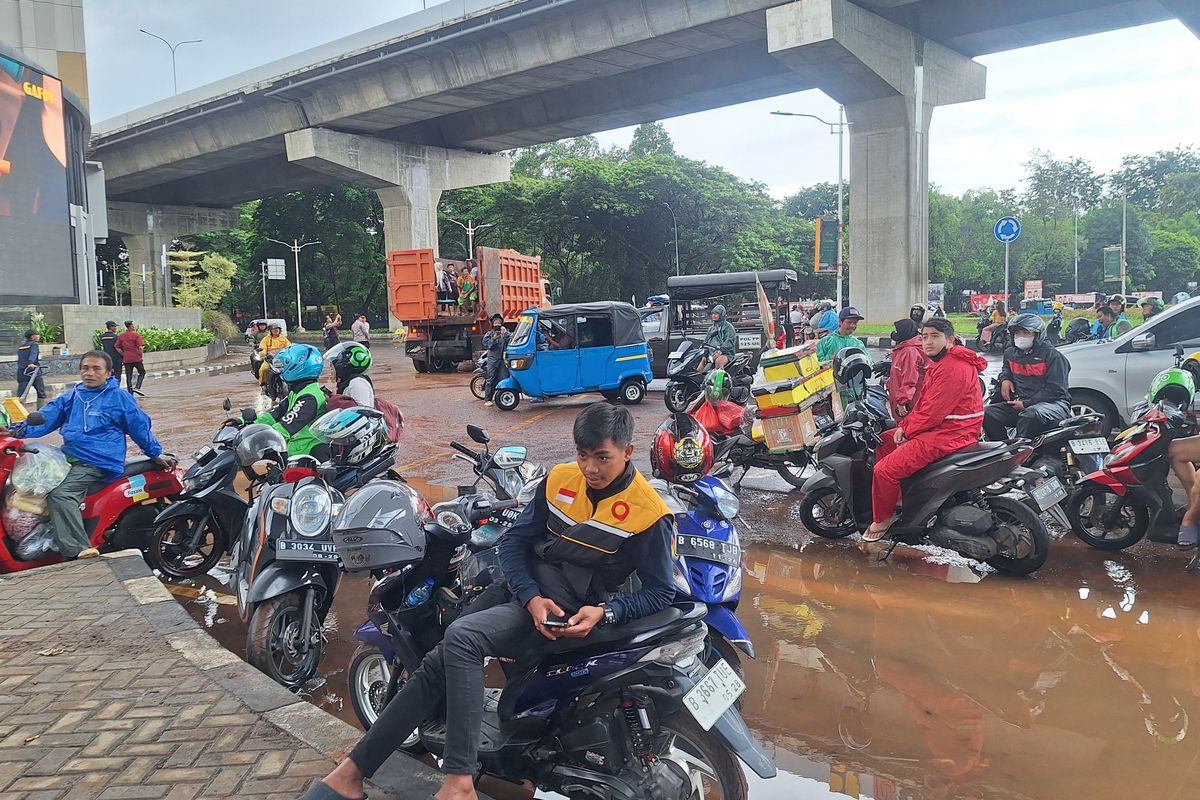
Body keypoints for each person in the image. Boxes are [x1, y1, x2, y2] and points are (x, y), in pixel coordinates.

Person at [297, 403, 676, 800]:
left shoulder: (647, 513)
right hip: (523, 595)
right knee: (435, 666)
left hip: (562, 614)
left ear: (628, 452)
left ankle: (458, 781)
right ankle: (352, 773)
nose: (590, 469)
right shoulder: (560, 480)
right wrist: (529, 596)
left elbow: (661, 592)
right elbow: (514, 543)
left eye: (603, 458)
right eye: (583, 456)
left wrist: (606, 611)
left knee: (461, 639)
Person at [5, 351, 174, 559]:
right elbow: (48, 416)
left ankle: (78, 550)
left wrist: (155, 453)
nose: (89, 373)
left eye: (96, 368)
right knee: (29, 482)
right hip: (70, 457)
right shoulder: (74, 395)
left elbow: (139, 428)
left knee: (61, 495)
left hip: (98, 461)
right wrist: (16, 430)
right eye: (85, 368)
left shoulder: (119, 398)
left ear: (109, 373)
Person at [865, 318, 988, 541]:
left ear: (949, 340)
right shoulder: (942, 363)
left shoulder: (952, 367)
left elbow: (932, 412)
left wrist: (908, 429)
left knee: (883, 470)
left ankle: (883, 518)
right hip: (944, 429)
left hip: (948, 434)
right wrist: (905, 426)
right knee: (885, 440)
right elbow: (925, 404)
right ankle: (901, 499)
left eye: (934, 336)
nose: (928, 342)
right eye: (924, 337)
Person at [982, 314, 1071, 441]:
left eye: (1025, 332)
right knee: (986, 413)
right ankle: (1004, 450)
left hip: (1054, 404)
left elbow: (1056, 389)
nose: (1021, 337)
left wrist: (1026, 404)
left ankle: (1021, 452)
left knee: (1029, 415)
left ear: (1037, 334)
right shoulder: (1010, 353)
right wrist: (1005, 379)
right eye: (1017, 333)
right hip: (1021, 403)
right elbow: (1006, 370)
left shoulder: (1053, 356)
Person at [255, 344, 329, 458]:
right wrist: (245, 422)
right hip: (294, 451)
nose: (279, 373)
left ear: (297, 368)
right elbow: (274, 414)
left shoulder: (310, 398)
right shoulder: (297, 392)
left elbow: (285, 427)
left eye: (283, 367)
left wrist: (258, 438)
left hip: (306, 456)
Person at [886, 318, 929, 421]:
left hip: (910, 403)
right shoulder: (910, 347)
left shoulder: (909, 351)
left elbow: (909, 380)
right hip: (915, 399)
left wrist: (902, 402)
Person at [324, 342, 375, 407]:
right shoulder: (347, 382)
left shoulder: (357, 383)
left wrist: (335, 401)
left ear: (343, 366)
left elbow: (363, 411)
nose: (331, 371)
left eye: (332, 367)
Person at [481, 313, 510, 407]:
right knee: (491, 379)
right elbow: (486, 344)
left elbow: (511, 341)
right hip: (492, 360)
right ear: (492, 324)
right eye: (495, 322)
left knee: (504, 378)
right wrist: (493, 339)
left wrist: (505, 334)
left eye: (499, 322)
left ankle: (504, 397)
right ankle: (488, 399)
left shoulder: (505, 333)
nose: (497, 324)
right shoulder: (489, 334)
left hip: (503, 359)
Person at [15, 329, 47, 405]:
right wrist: (31, 363)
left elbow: (20, 358)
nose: (39, 336)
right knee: (41, 392)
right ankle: (40, 412)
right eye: (37, 334)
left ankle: (18, 411)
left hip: (22, 371)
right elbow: (33, 353)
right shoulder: (34, 344)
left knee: (21, 393)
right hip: (33, 370)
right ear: (33, 336)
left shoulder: (21, 346)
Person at [116, 321, 146, 395]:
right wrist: (140, 355)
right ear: (131, 326)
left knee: (128, 375)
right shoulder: (136, 335)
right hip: (136, 357)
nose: (134, 326)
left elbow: (117, 347)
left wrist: (123, 354)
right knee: (142, 372)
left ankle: (130, 392)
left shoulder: (122, 336)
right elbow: (140, 347)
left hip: (127, 358)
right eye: (133, 325)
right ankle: (137, 387)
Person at [702, 304, 737, 370]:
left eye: (716, 313)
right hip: (711, 353)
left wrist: (720, 351)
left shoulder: (728, 327)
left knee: (718, 362)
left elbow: (730, 341)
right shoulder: (711, 328)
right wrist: (704, 355)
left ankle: (719, 380)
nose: (714, 315)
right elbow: (706, 342)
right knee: (700, 367)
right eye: (712, 313)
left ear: (722, 314)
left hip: (726, 353)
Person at [98, 321, 123, 387]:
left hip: (106, 359)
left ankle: (109, 388)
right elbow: (118, 347)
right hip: (116, 359)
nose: (115, 328)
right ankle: (116, 388)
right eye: (114, 327)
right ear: (111, 327)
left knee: (108, 375)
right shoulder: (116, 337)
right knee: (117, 375)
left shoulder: (102, 337)